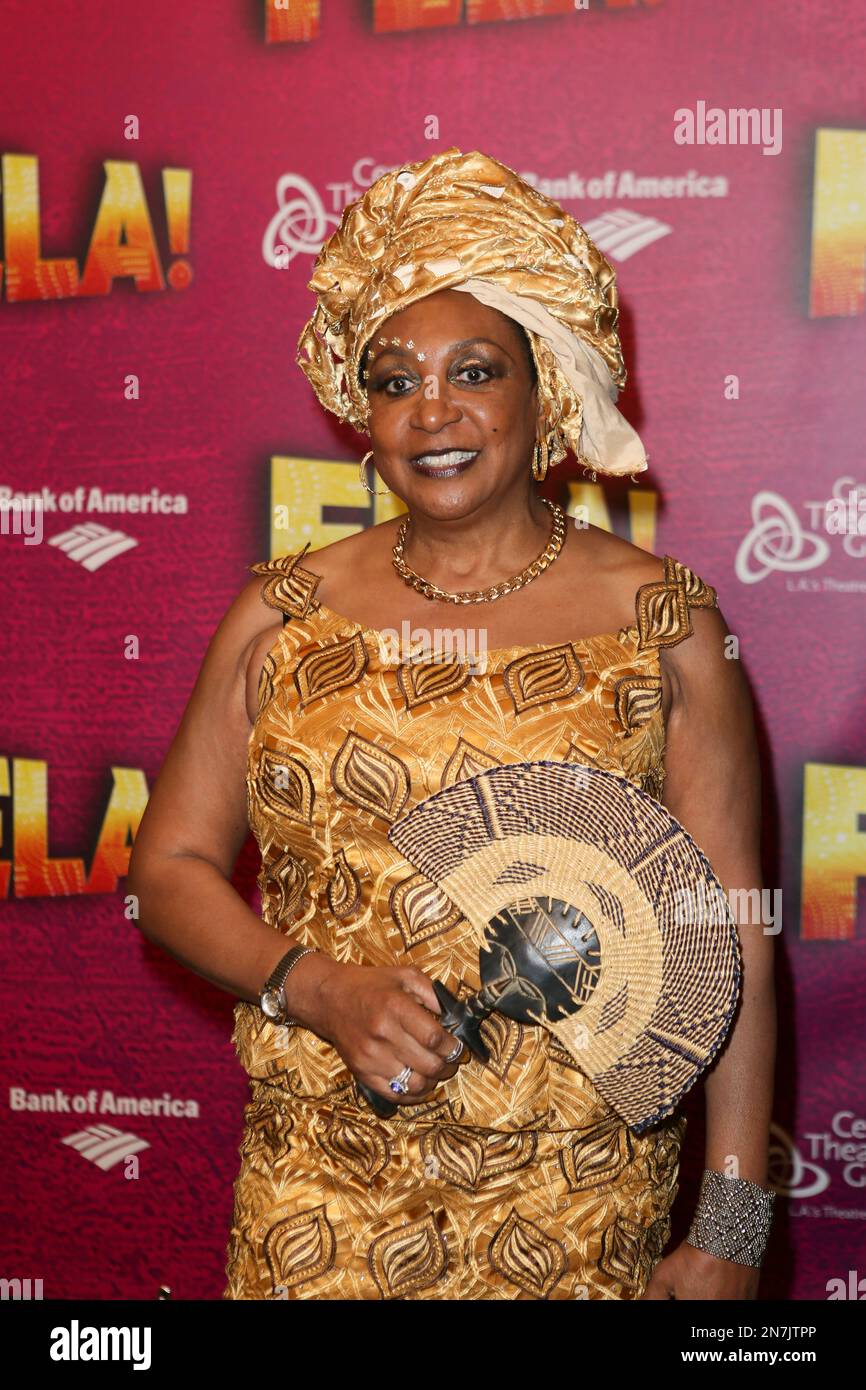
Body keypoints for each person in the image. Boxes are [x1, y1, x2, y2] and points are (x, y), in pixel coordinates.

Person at [128, 147, 776, 1301]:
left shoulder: (661, 625)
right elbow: (167, 868)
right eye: (393, 381)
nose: (431, 411)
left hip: (577, 1199)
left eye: (474, 371)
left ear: (543, 390)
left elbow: (725, 932)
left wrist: (728, 1221)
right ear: (363, 412)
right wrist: (315, 986)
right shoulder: (284, 616)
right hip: (320, 1191)